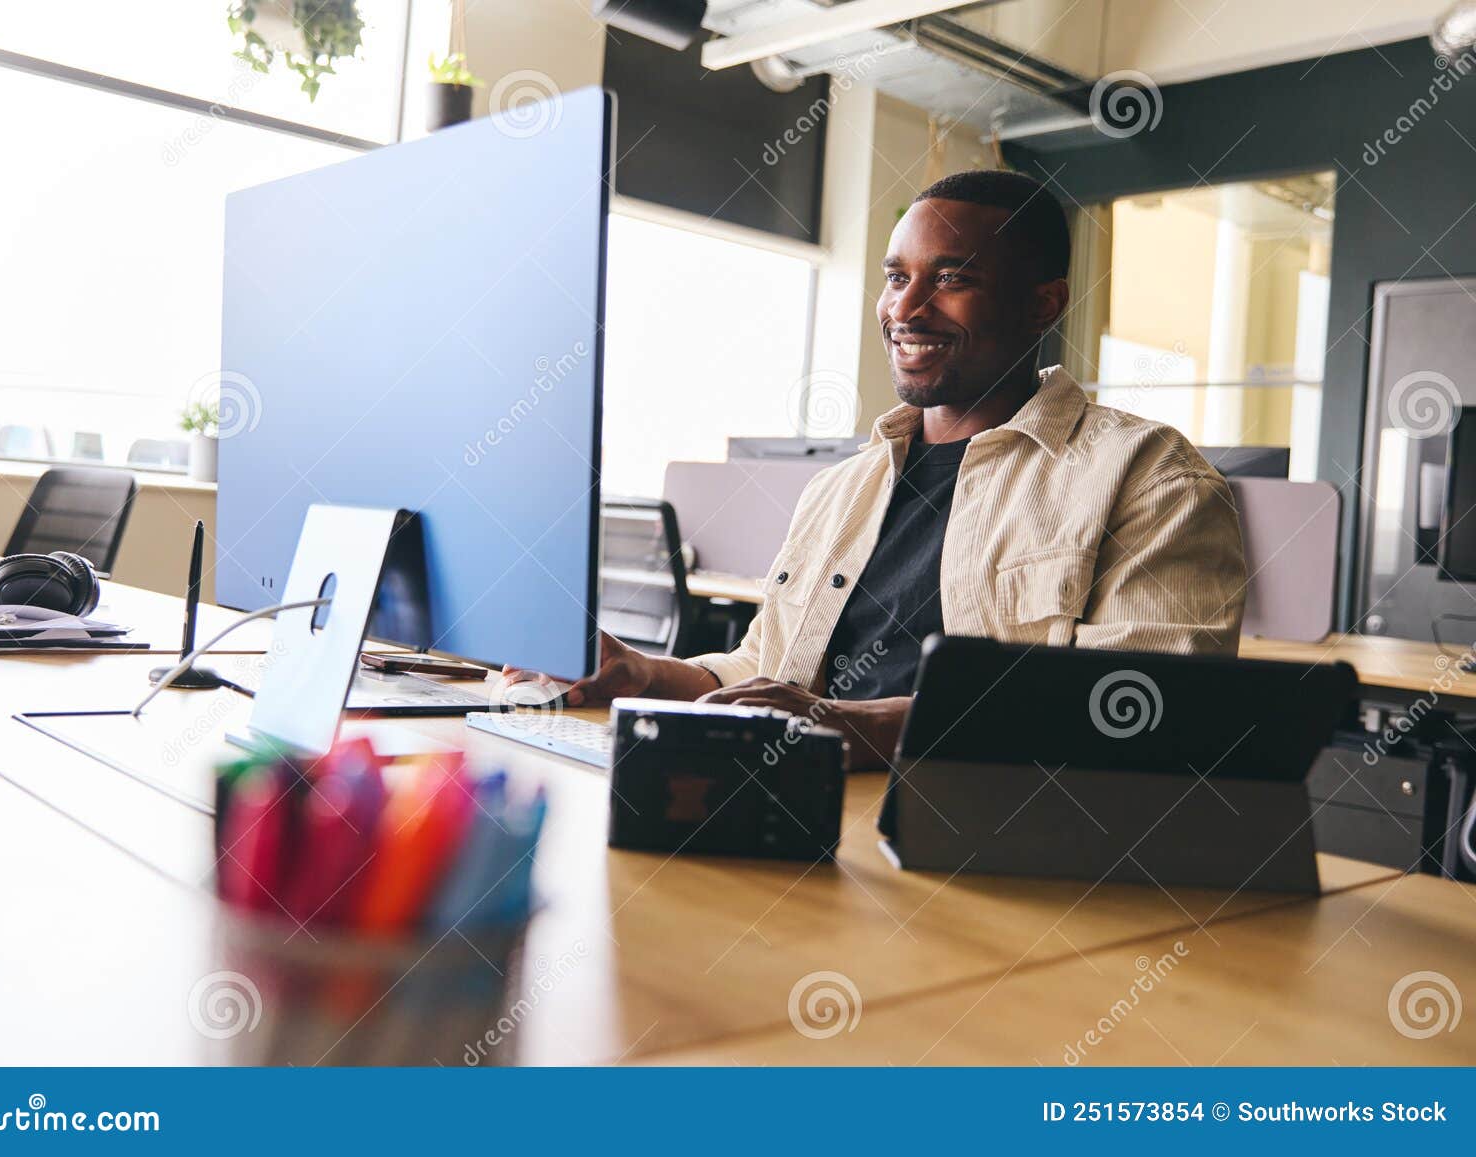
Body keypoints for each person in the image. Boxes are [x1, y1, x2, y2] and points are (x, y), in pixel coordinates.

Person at [509, 169, 1247, 769]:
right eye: (897, 277)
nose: (908, 307)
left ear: (1042, 304)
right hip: (814, 805)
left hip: (991, 836)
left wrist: (848, 723)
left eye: (952, 278)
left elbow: (1142, 707)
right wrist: (643, 672)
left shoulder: (1148, 477)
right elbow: (767, 673)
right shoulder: (843, 488)